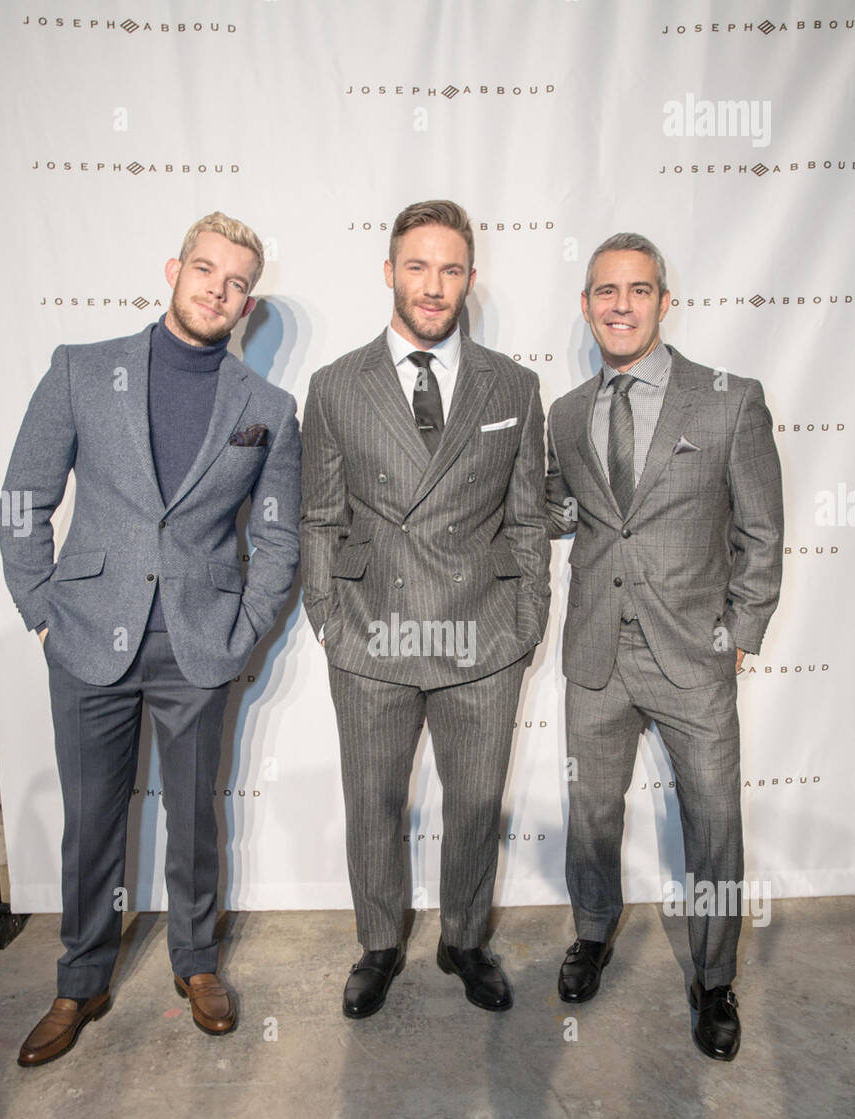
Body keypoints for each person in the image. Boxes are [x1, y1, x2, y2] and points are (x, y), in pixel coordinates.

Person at [0, 211, 301, 1064]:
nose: (219, 289)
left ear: (248, 303)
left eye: (238, 282)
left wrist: (243, 632)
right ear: (174, 269)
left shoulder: (268, 407)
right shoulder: (82, 371)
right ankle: (81, 976)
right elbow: (25, 495)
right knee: (91, 819)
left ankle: (196, 962)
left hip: (200, 646)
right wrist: (42, 606)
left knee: (198, 819)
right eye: (206, 270)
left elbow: (278, 534)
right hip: (89, 637)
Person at [301, 199, 550, 1018]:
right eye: (417, 265)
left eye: (450, 269)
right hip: (372, 633)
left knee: (477, 802)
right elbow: (318, 518)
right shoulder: (336, 385)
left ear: (471, 279)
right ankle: (379, 943)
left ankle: (465, 939)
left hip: (482, 634)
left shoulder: (513, 384)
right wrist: (331, 622)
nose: (433, 285)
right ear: (388, 273)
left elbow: (526, 518)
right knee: (372, 800)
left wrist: (525, 622)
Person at [545, 232, 783, 1061]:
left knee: (714, 823)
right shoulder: (567, 412)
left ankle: (715, 980)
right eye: (605, 291)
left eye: (638, 290)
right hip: (595, 657)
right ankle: (594, 932)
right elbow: (562, 512)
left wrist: (738, 637)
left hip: (693, 657)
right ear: (586, 306)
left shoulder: (728, 400)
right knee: (592, 814)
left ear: (662, 302)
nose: (621, 305)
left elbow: (761, 532)